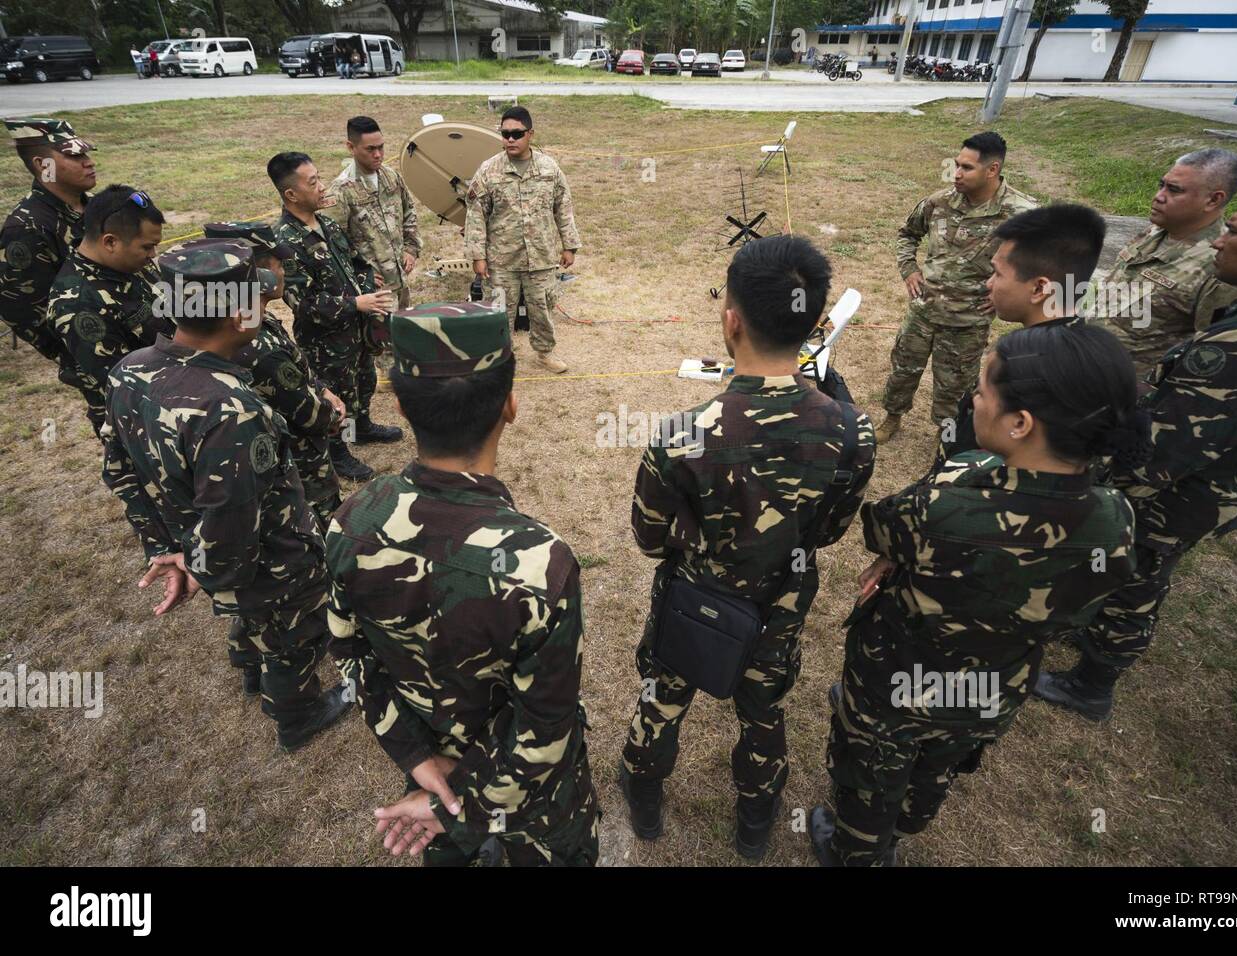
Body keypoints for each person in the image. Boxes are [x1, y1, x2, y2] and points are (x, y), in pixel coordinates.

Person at [811, 321, 1149, 866]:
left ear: (1020, 423)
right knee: (938, 765)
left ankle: (856, 851)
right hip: (991, 687)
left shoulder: (950, 502)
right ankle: (902, 829)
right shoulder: (1117, 518)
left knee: (871, 771)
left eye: (984, 389)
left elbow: (879, 528)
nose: (973, 397)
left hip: (896, 679)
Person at [619, 235, 876, 860]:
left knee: (664, 694)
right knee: (763, 706)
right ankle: (756, 819)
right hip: (779, 602)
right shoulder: (851, 429)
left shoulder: (681, 434)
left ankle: (645, 791)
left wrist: (701, 540)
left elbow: (651, 538)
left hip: (693, 600)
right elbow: (831, 529)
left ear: (729, 320)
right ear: (815, 323)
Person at [325, 301, 599, 866]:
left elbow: (348, 652)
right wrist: (460, 803)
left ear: (398, 402)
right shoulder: (540, 564)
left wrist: (420, 763)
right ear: (511, 405)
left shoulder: (349, 520)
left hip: (428, 764)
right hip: (532, 801)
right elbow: (545, 729)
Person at [1035, 182, 1237, 721]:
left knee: (1138, 571)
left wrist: (1086, 486)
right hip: (1234, 476)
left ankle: (1091, 683)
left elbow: (1161, 455)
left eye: (1234, 230)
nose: (1221, 241)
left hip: (1186, 490)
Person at [101, 237, 352, 750]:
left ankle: (250, 671)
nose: (265, 305)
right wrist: (213, 572)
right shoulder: (230, 408)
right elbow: (234, 520)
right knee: (292, 636)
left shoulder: (130, 371)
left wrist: (170, 548)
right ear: (240, 317)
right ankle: (298, 715)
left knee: (248, 618)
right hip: (268, 560)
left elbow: (120, 469)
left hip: (203, 545)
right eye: (257, 299)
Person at [202, 221, 347, 696]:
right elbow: (308, 416)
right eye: (278, 263)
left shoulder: (246, 323)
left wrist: (319, 387)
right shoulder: (257, 342)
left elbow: (298, 374)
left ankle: (245, 654)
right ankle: (292, 681)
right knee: (304, 572)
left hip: (268, 474)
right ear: (258, 276)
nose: (285, 271)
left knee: (258, 582)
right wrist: (330, 410)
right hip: (300, 474)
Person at [879, 131, 1038, 443]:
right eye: (956, 165)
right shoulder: (938, 203)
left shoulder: (1021, 213)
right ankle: (891, 418)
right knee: (903, 369)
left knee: (954, 385)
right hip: (923, 309)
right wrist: (909, 269)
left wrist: (1007, 295)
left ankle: (948, 436)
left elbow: (1045, 263)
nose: (957, 174)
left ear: (992, 170)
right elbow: (907, 234)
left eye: (966, 168)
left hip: (967, 321)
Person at [927, 203, 1108, 475]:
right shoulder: (1079, 353)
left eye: (998, 273)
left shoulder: (1027, 374)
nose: (989, 283)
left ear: (1039, 288)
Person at [269, 151, 398, 483]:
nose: (322, 186)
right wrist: (357, 303)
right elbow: (303, 303)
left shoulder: (325, 223)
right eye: (313, 182)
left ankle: (363, 426)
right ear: (291, 194)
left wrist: (370, 283)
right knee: (337, 396)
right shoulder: (286, 241)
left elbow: (356, 262)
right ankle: (338, 451)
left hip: (356, 332)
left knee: (363, 382)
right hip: (326, 342)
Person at [1087, 147, 1237, 379]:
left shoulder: (1220, 265)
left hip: (1131, 392)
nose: (1159, 196)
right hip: (1088, 370)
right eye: (1161, 185)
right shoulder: (1155, 232)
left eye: (1174, 190)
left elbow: (1212, 356)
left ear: (1213, 200)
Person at [464, 106, 580, 375]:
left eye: (516, 134)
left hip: (540, 256)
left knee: (542, 308)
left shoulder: (549, 168)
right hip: (502, 259)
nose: (510, 140)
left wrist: (569, 245)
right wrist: (478, 256)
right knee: (500, 311)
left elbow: (563, 206)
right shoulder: (489, 170)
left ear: (530, 134)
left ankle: (544, 353)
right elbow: (476, 216)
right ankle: (500, 358)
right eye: (505, 134)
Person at [45, 186, 169, 433]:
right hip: (145, 422)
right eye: (147, 247)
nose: (153, 255)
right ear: (110, 241)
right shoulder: (79, 306)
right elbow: (126, 386)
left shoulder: (125, 263)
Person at [0, 118, 97, 409]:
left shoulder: (91, 205)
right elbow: (20, 308)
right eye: (74, 156)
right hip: (96, 356)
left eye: (86, 153)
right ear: (44, 165)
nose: (88, 162)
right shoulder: (28, 228)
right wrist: (77, 354)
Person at [328, 115, 423, 391]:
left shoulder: (391, 177)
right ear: (350, 147)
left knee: (401, 322)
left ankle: (400, 368)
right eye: (370, 149)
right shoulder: (342, 191)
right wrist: (360, 273)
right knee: (377, 331)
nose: (379, 154)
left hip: (399, 275)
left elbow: (409, 213)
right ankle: (386, 377)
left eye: (381, 146)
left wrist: (411, 249)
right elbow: (334, 242)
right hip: (373, 282)